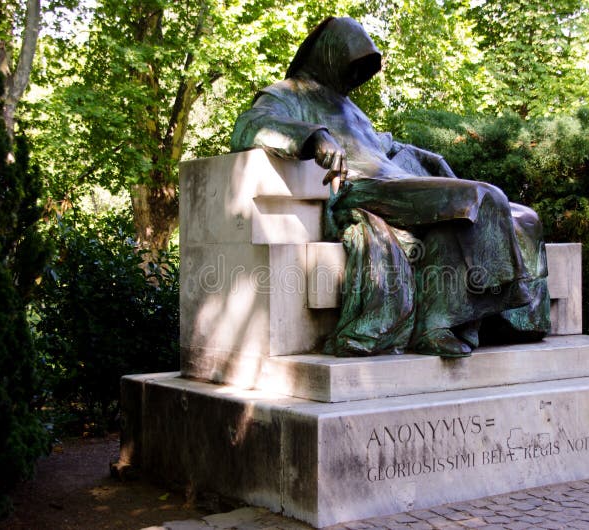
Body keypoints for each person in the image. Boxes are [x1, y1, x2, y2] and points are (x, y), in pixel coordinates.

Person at [231, 17, 549, 358]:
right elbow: (250, 126)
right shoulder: (289, 94)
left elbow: (382, 146)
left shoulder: (351, 108)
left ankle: (514, 319)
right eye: (351, 64)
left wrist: (427, 158)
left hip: (399, 184)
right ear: (328, 55)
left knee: (525, 218)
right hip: (362, 188)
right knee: (484, 197)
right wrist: (314, 137)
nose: (355, 76)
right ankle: (436, 324)